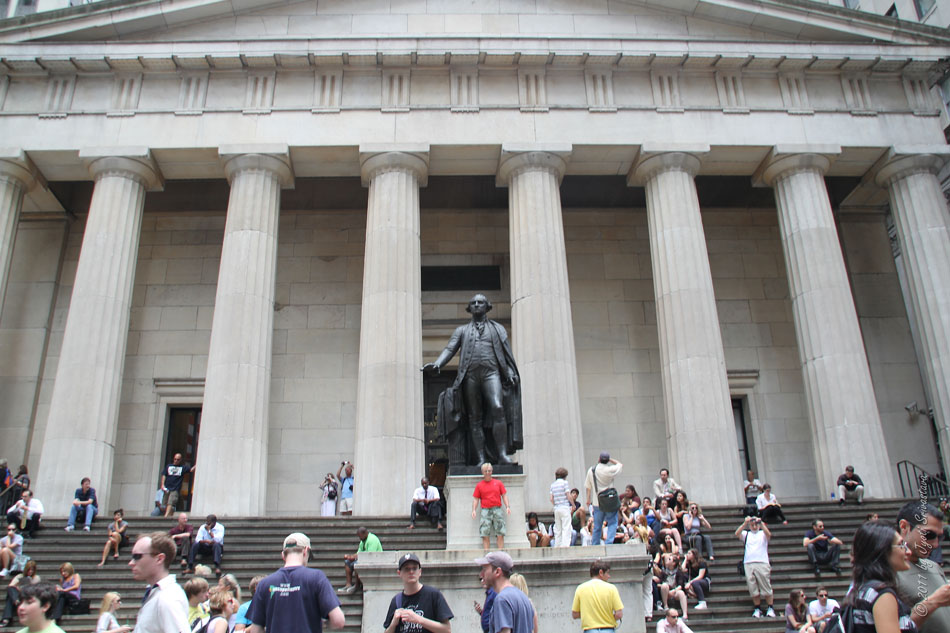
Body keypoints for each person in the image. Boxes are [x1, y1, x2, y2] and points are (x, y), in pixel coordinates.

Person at [422, 294, 522, 466]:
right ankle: (481, 459)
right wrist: (437, 364)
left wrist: (511, 371)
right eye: (473, 303)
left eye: (480, 302)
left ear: (487, 306)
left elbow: (507, 354)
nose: (476, 305)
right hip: (470, 376)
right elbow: (450, 348)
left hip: (492, 373)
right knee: (474, 417)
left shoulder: (498, 329)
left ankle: (502, 454)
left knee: (498, 407)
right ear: (469, 308)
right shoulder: (462, 331)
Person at [843, 519, 944, 633]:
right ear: (882, 550)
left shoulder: (864, 589)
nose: (908, 552)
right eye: (901, 545)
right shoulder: (882, 594)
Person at [246, 532, 344, 633]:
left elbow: (255, 629)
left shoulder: (264, 584)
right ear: (306, 551)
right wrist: (322, 622)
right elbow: (339, 621)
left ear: (283, 555)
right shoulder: (317, 578)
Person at [895, 500, 950, 633]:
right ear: (904, 527)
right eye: (929, 535)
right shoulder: (885, 571)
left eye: (939, 537)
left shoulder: (934, 567)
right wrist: (933, 602)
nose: (935, 544)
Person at [129, 532, 190, 633]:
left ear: (159, 559)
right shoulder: (157, 593)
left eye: (137, 556)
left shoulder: (168, 597)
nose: (131, 563)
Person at [382, 553, 453, 633]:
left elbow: (447, 630)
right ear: (399, 573)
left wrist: (418, 619)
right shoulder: (396, 600)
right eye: (407, 569)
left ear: (420, 571)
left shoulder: (433, 595)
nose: (411, 572)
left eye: (414, 568)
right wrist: (393, 624)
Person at [475, 552, 535, 633]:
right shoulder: (524, 598)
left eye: (485, 569)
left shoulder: (502, 599)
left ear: (497, 572)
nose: (481, 574)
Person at [736, 515, 775, 618]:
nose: (754, 526)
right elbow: (737, 533)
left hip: (762, 562)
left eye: (755, 524)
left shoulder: (762, 533)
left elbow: (768, 534)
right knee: (752, 587)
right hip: (748, 562)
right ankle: (757, 608)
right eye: (752, 524)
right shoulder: (747, 534)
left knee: (765, 585)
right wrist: (745, 523)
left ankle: (770, 607)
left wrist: (761, 523)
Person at [571, 559, 623, 632]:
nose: (609, 576)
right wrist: (608, 618)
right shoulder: (612, 588)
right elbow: (619, 614)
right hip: (608, 629)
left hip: (590, 630)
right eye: (607, 573)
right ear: (601, 572)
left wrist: (589, 614)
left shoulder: (580, 589)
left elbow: (575, 614)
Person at [585, 452, 623, 546]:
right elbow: (620, 465)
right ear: (607, 460)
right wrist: (611, 459)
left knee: (597, 525)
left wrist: (588, 499)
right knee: (612, 523)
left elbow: (588, 487)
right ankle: (609, 543)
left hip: (597, 502)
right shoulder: (610, 470)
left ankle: (595, 544)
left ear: (599, 459)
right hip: (610, 501)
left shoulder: (591, 470)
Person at [471, 463, 510, 551]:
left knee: (500, 531)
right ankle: (487, 553)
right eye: (486, 471)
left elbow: (504, 495)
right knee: (485, 532)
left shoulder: (498, 483)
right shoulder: (479, 485)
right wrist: (474, 510)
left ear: (492, 471)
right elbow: (476, 499)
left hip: (497, 509)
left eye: (489, 471)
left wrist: (507, 506)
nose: (488, 473)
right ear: (482, 472)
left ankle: (500, 552)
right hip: (485, 510)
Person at [338, 526, 382, 594]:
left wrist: (354, 557)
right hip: (364, 559)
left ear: (365, 533)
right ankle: (348, 584)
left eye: (360, 536)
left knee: (357, 564)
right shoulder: (363, 541)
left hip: (374, 559)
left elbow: (370, 555)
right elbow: (359, 552)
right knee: (347, 562)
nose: (360, 538)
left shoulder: (372, 539)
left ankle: (357, 585)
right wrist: (350, 557)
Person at [0, 560, 40, 628]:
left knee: (10, 598)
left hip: (27, 596)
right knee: (11, 589)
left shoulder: (36, 578)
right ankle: (16, 601)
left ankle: (6, 619)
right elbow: (10, 586)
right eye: (29, 570)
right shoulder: (20, 576)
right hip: (18, 596)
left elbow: (36, 591)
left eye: (32, 570)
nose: (30, 572)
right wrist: (18, 588)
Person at [550, 467, 572, 548]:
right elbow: (568, 495)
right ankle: (565, 545)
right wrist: (572, 504)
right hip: (564, 507)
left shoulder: (553, 485)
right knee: (566, 527)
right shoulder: (565, 483)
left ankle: (557, 544)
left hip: (557, 508)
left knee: (558, 528)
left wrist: (555, 504)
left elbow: (551, 498)